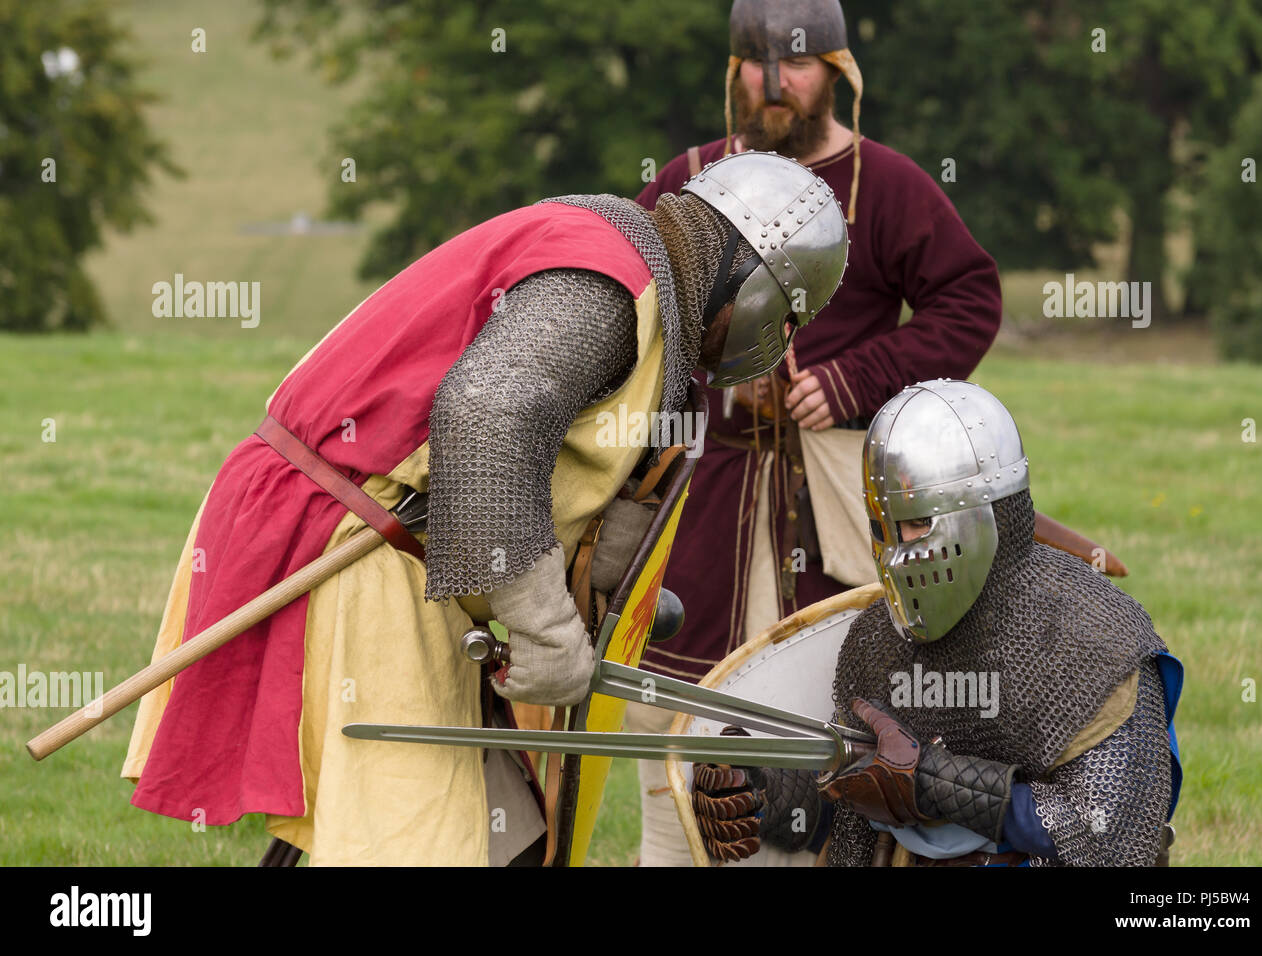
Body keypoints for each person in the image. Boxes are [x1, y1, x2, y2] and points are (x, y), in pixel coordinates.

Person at [119, 151, 849, 865]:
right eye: (786, 316)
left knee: (508, 837)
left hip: (392, 552)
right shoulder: (607, 283)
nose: (781, 343)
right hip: (350, 547)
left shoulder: (635, 278)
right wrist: (546, 631)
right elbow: (485, 420)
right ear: (746, 273)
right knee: (415, 841)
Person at [628, 0, 1002, 865]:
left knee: (831, 724)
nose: (774, 84)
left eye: (794, 65)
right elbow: (637, 303)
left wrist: (852, 381)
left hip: (835, 495)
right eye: (756, 67)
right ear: (735, 76)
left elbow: (969, 297)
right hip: (704, 492)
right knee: (675, 724)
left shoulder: (887, 184)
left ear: (837, 70)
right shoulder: (687, 179)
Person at [692, 379, 1182, 867]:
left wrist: (935, 783)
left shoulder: (1088, 637)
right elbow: (853, 819)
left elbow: (1104, 832)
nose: (898, 552)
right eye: (883, 529)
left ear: (990, 513)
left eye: (920, 523)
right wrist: (767, 793)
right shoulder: (876, 640)